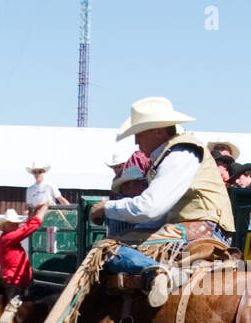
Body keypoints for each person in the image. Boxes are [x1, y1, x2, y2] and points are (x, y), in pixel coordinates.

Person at [88, 96, 236, 306]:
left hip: (198, 230)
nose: (136, 141)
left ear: (158, 130)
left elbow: (150, 207)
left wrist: (107, 208)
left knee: (105, 249)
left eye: (139, 133)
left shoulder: (180, 152)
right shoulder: (175, 152)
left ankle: (159, 273)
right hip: (197, 227)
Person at [0, 206, 45, 291]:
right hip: (13, 281)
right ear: (5, 226)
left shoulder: (7, 238)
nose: (15, 226)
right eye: (11, 223)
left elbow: (25, 228)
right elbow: (28, 228)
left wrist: (33, 214)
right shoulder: (8, 238)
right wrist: (43, 210)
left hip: (15, 280)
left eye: (16, 224)